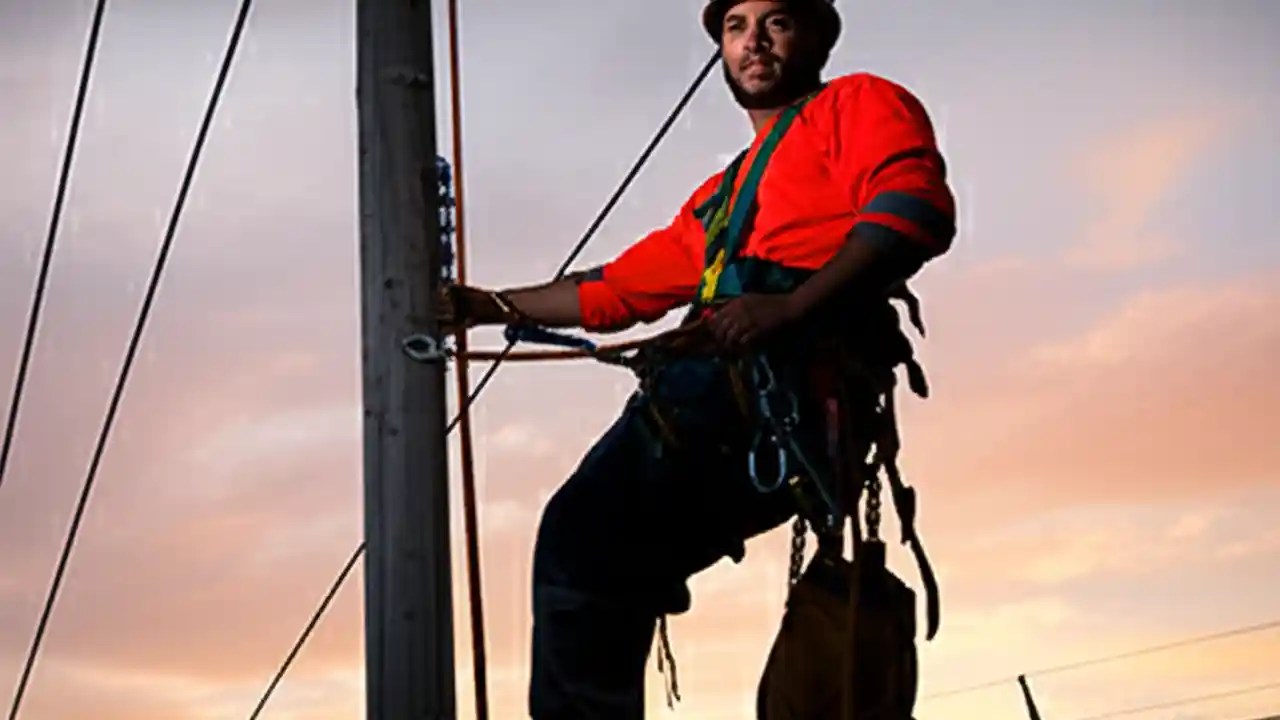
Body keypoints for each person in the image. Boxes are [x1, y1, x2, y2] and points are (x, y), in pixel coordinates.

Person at [440, 1, 957, 717]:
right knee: (596, 563)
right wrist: (490, 306)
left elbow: (913, 210)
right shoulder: (723, 202)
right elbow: (615, 290)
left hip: (771, 396)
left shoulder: (858, 102)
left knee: (581, 542)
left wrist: (790, 307)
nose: (754, 41)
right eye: (736, 26)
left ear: (817, 36)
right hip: (735, 404)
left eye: (776, 21)